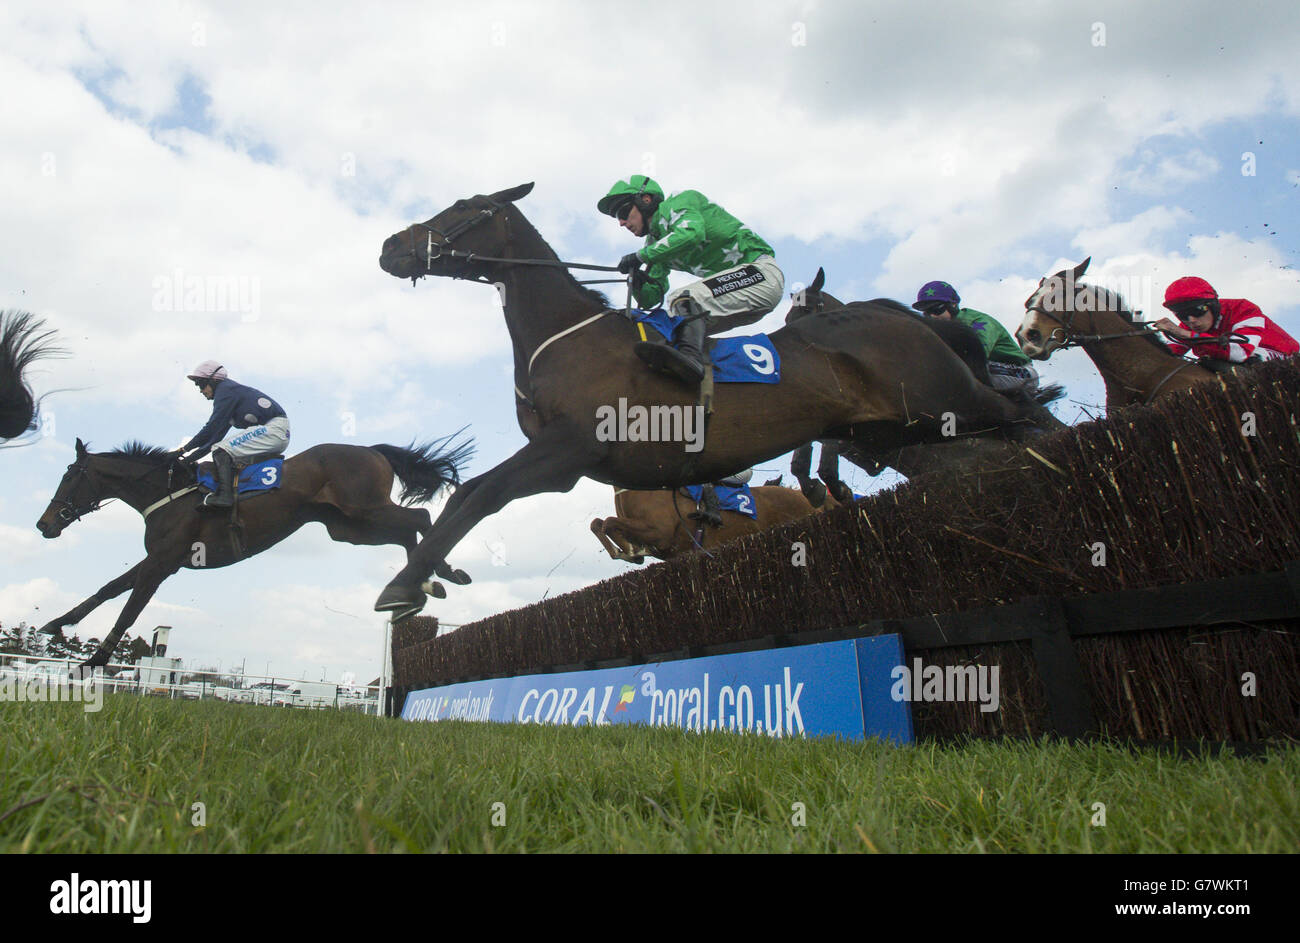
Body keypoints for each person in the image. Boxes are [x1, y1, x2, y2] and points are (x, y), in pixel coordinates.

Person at [598, 175, 784, 387]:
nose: (622, 223)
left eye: (623, 213)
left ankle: (691, 363)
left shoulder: (680, 201)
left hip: (760, 273)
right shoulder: (656, 242)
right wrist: (639, 281)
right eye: (617, 218)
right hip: (742, 290)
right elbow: (652, 298)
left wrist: (641, 257)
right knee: (673, 323)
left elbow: (691, 233)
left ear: (646, 200)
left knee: (683, 298)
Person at [177, 361, 290, 510]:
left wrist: (183, 451)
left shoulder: (225, 391)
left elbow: (210, 429)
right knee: (220, 450)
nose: (200, 390)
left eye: (200, 384)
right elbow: (214, 439)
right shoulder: (229, 395)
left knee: (220, 450)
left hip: (274, 430)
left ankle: (225, 496)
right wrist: (189, 459)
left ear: (212, 380)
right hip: (275, 431)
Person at [912, 281, 1040, 393]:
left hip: (1024, 374)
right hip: (992, 370)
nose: (932, 317)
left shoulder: (978, 321)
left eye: (936, 310)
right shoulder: (939, 330)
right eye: (927, 313)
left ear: (953, 305)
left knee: (961, 368)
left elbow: (977, 357)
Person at [1151, 276, 1297, 371]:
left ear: (1213, 305)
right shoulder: (1189, 326)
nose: (1192, 320)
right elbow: (1166, 357)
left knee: (1243, 361)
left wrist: (1184, 334)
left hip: (1289, 362)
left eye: (1198, 310)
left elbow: (1239, 353)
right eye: (1182, 315)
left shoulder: (1243, 308)